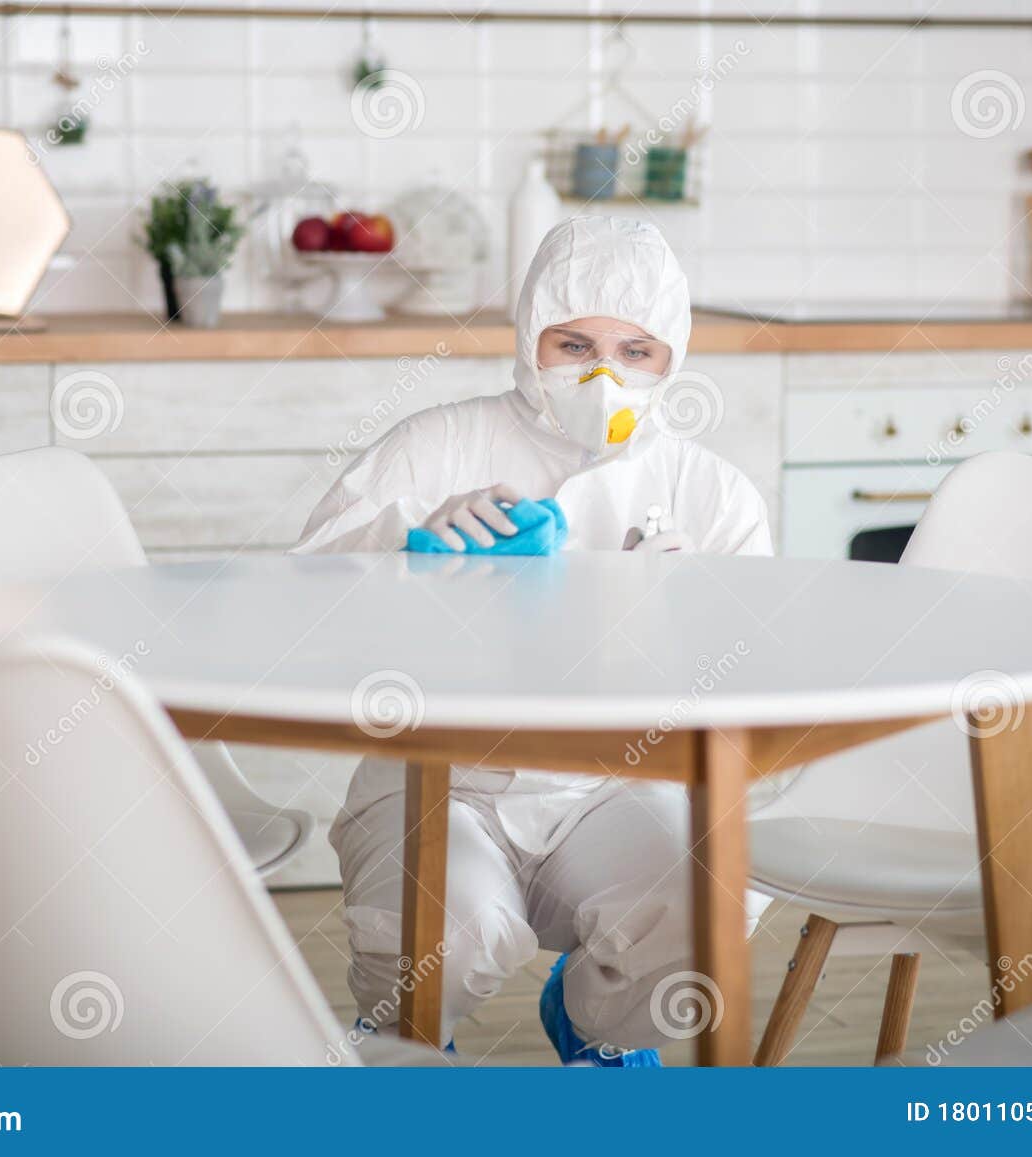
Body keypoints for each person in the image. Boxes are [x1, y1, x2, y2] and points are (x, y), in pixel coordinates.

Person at [292, 215, 772, 1065]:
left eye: (635, 351)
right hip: (439, 778)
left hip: (617, 784)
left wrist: (689, 619)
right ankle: (413, 1059)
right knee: (443, 943)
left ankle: (600, 1032)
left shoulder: (711, 493)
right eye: (573, 344)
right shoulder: (438, 444)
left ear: (672, 357)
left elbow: (763, 680)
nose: (602, 376)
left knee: (704, 910)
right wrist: (407, 541)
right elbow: (302, 592)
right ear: (529, 337)